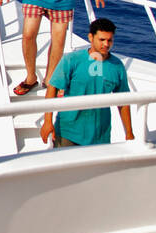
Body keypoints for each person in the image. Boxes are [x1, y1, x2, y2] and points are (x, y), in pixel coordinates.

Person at [41, 18, 134, 147]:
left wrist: (129, 133)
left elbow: (123, 102)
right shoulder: (71, 60)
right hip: (68, 131)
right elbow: (52, 88)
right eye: (102, 40)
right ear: (91, 37)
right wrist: (47, 122)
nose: (106, 44)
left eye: (110, 40)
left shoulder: (117, 66)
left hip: (100, 136)